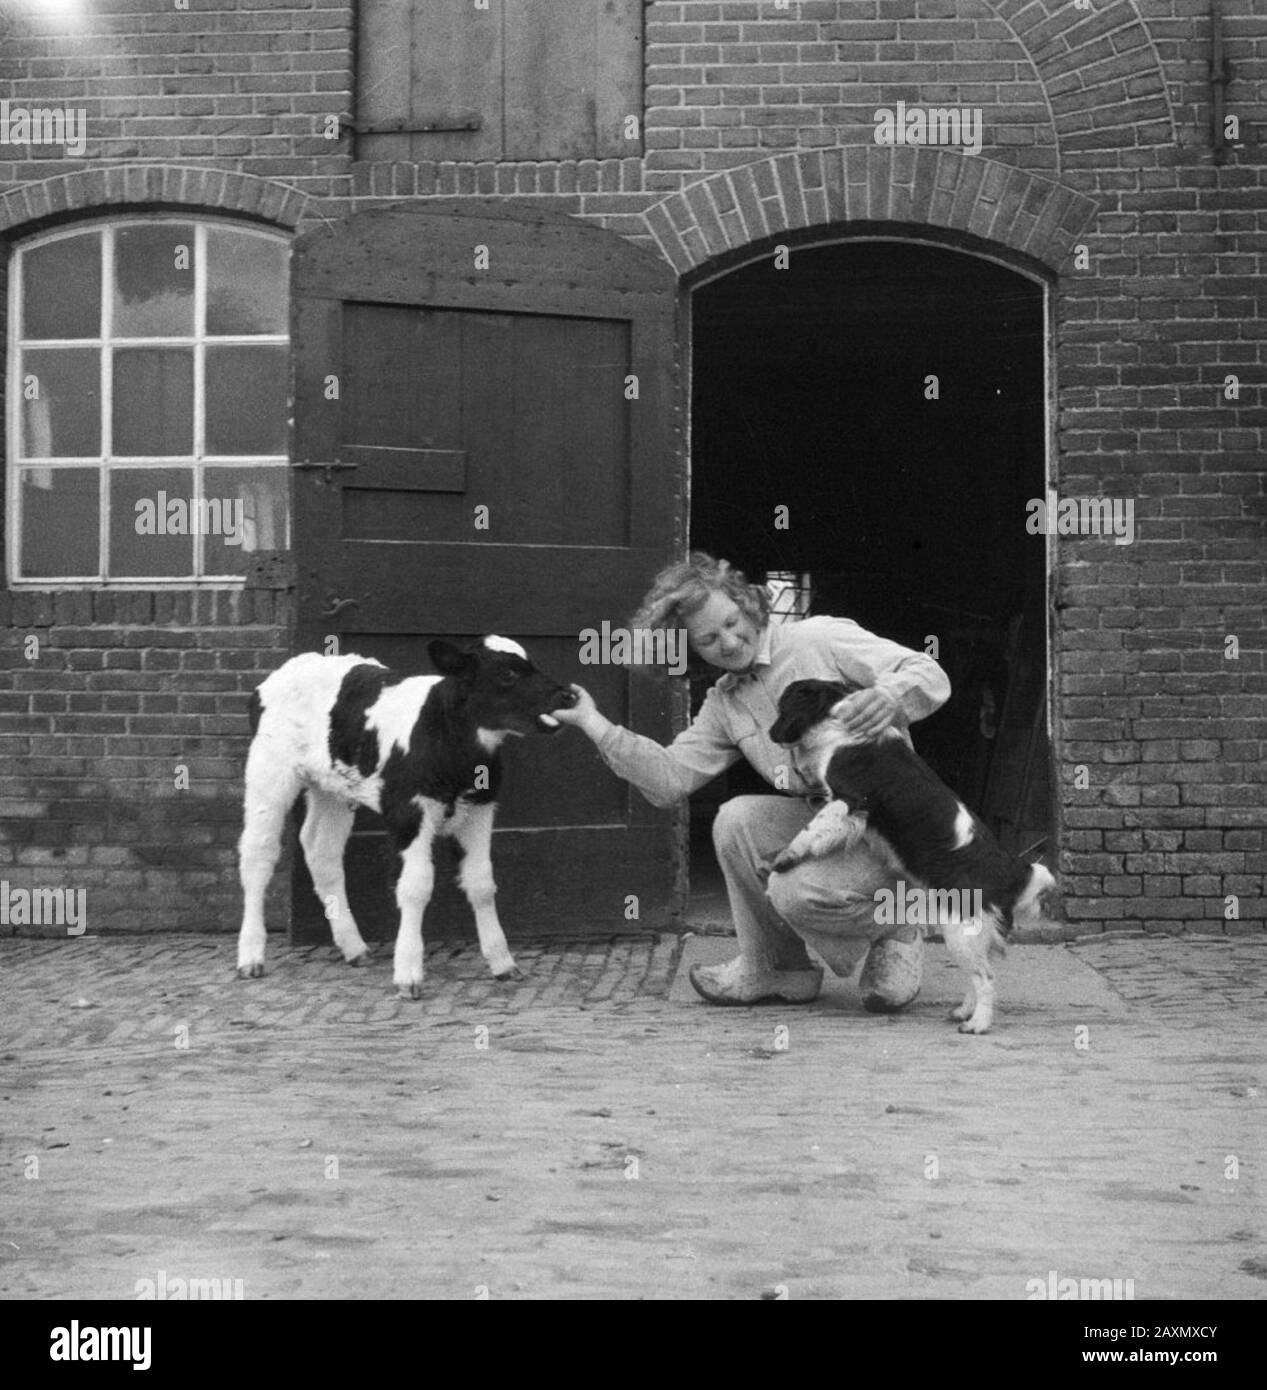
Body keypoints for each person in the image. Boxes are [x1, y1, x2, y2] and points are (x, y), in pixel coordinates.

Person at [551, 553, 951, 1009]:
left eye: (731, 620)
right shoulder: (725, 702)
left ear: (746, 604)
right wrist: (592, 723)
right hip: (825, 817)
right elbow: (670, 779)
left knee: (794, 893)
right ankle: (776, 965)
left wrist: (889, 694)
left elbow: (929, 673)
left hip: (889, 823)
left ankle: (898, 930)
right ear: (690, 650)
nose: (728, 641)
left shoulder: (815, 639)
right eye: (707, 639)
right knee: (735, 819)